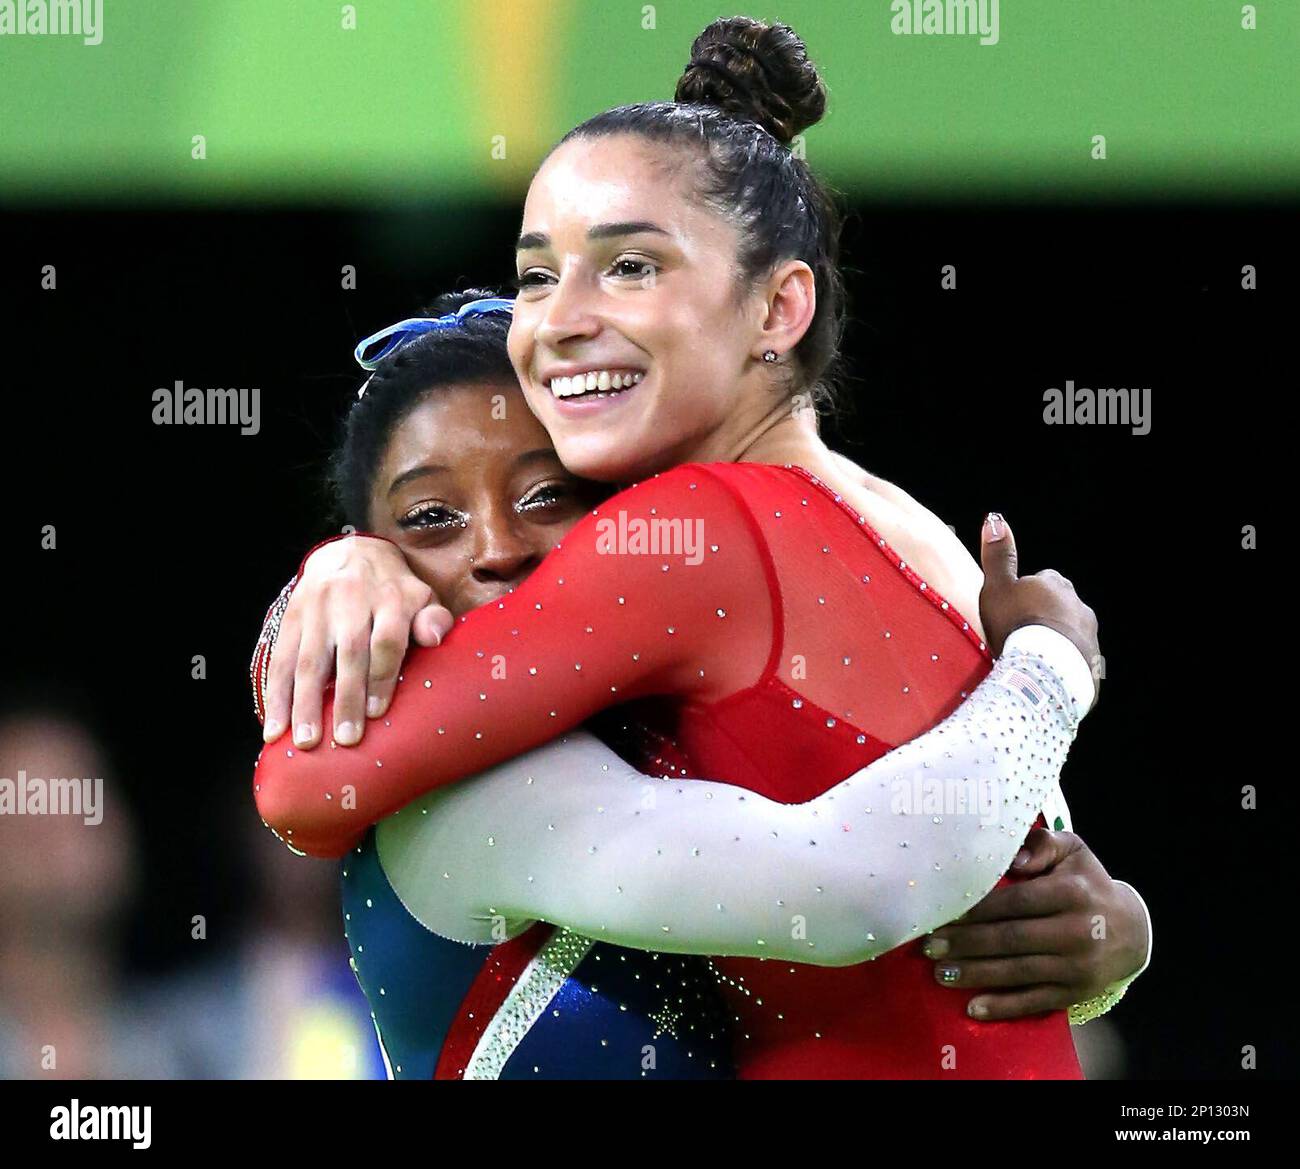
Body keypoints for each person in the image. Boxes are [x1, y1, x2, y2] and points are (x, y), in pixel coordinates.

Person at [253, 17, 1150, 1077]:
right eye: (539, 276)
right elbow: (1007, 874)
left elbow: (305, 783)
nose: (564, 318)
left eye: (629, 266)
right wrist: (335, 572)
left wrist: (1054, 681)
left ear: (778, 304)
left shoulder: (681, 531)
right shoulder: (916, 529)